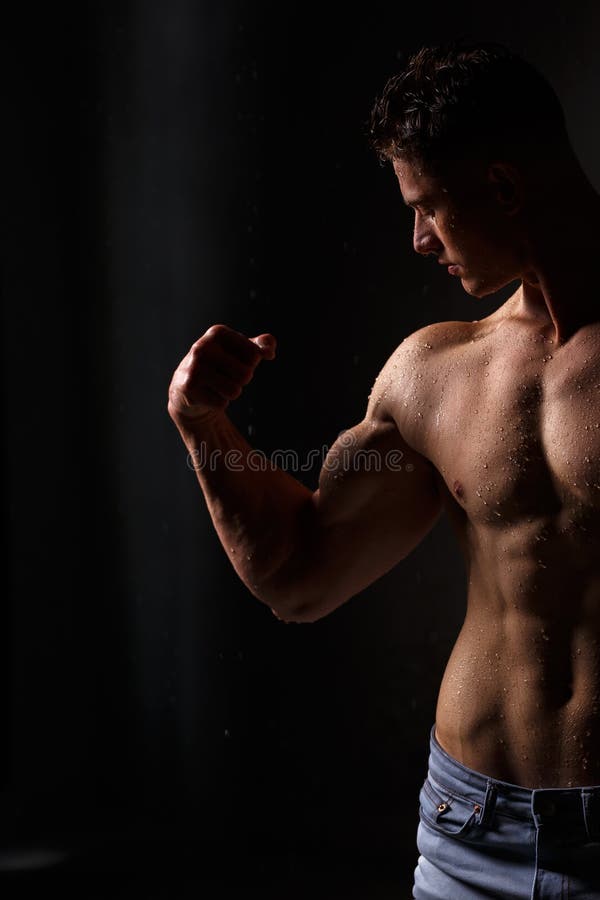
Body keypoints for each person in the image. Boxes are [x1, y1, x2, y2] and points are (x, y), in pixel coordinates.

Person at [168, 39, 600, 898]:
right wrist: (202, 423)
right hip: (468, 836)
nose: (416, 240)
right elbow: (300, 577)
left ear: (506, 188)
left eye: (428, 207)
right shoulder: (435, 374)